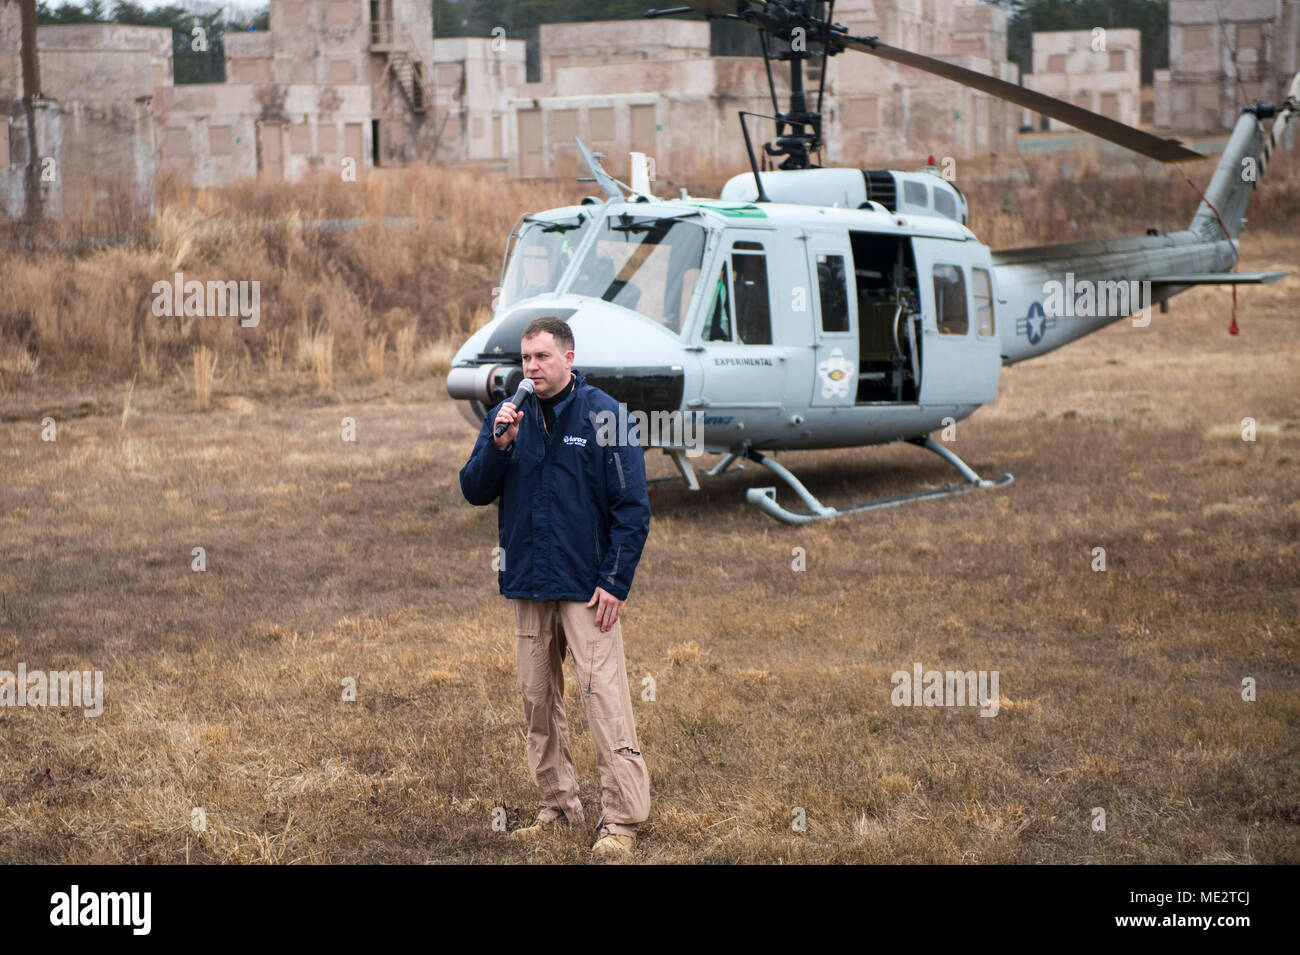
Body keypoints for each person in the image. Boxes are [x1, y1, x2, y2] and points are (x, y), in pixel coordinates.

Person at [458, 316, 651, 859]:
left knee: (604, 701)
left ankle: (622, 822)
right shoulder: (508, 415)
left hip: (587, 587)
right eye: (525, 359)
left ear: (569, 357)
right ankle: (558, 806)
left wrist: (615, 580)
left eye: (542, 357)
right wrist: (499, 444)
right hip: (528, 580)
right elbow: (474, 489)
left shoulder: (603, 415)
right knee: (537, 701)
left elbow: (632, 507)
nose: (532, 368)